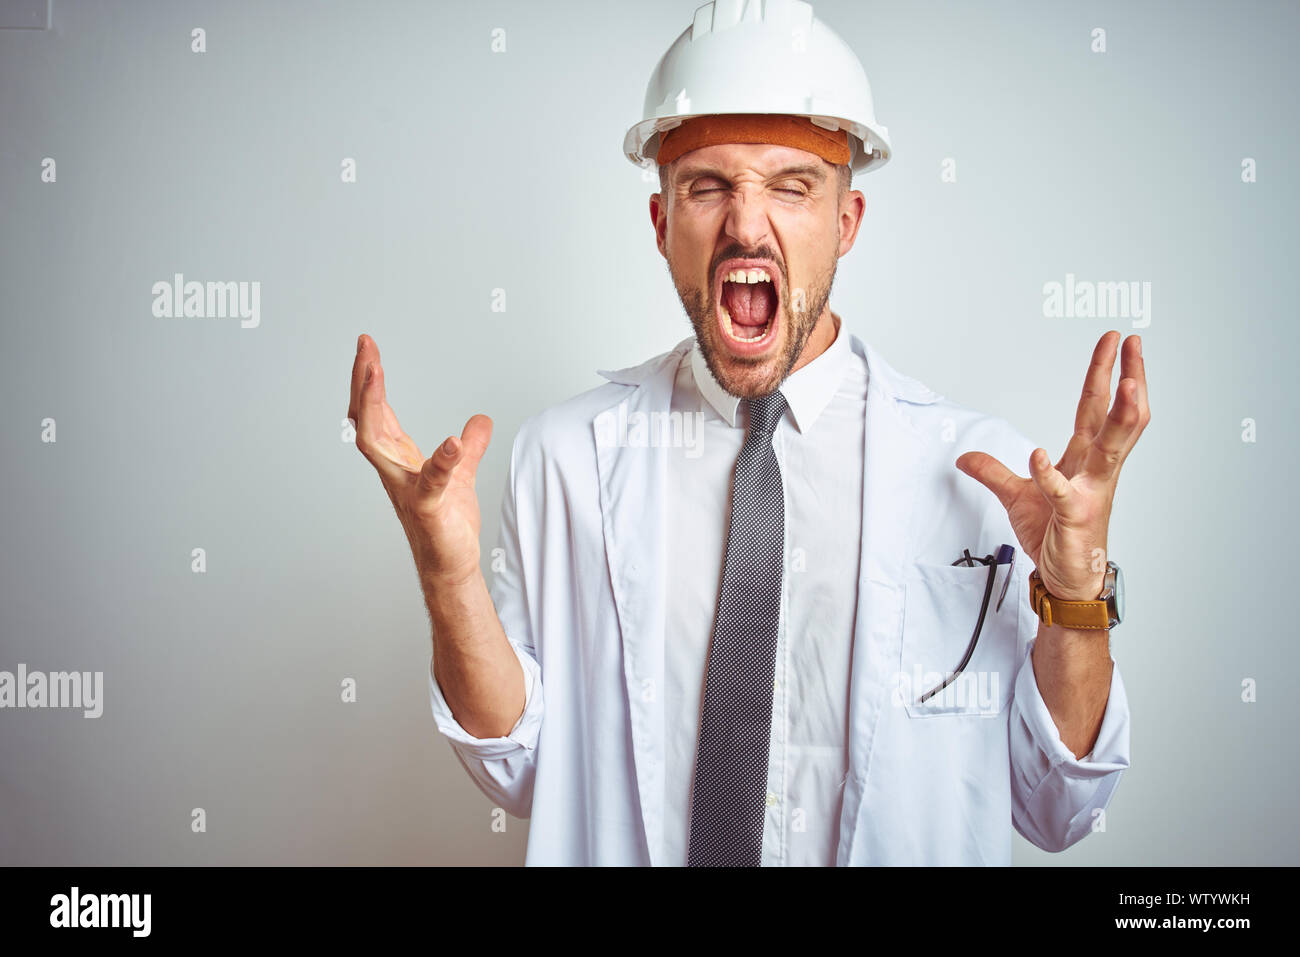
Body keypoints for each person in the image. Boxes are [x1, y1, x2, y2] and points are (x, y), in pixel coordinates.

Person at [347, 0, 1148, 866]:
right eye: (707, 185)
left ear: (847, 222)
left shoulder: (979, 477)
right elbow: (518, 764)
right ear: (662, 226)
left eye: (792, 186)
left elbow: (1056, 805)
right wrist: (447, 571)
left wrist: (1076, 597)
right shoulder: (565, 459)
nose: (745, 223)